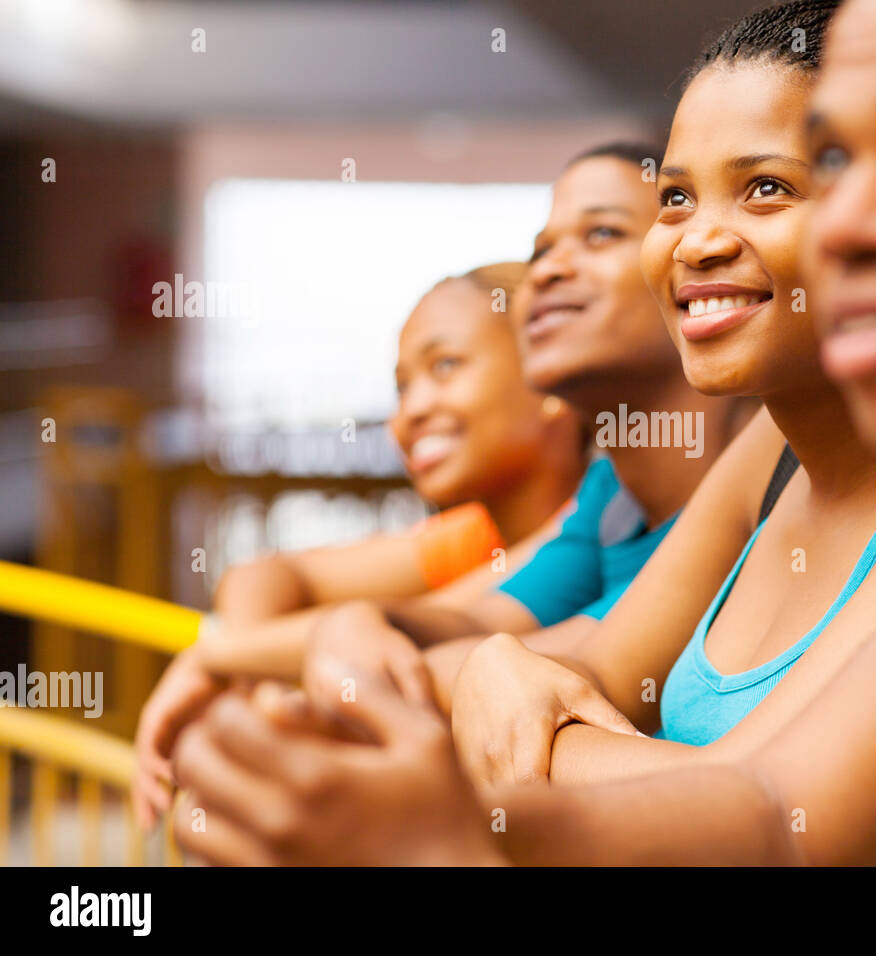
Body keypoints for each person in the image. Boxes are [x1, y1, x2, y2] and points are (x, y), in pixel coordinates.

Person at [173, 0, 876, 866]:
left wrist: (459, 836)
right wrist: (435, 798)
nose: (852, 219)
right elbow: (776, 816)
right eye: (841, 161)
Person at [435, 0, 876, 866]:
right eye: (675, 198)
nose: (698, 240)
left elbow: (748, 815)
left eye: (768, 188)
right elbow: (597, 672)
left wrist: (506, 712)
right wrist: (497, 667)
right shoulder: (770, 458)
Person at [140, 142, 750, 826]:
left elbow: (553, 659)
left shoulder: (751, 487)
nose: (549, 269)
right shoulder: (607, 501)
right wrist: (271, 652)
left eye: (601, 232)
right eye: (541, 248)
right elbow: (471, 622)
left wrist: (255, 672)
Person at [132, 262, 585, 827]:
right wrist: (251, 679)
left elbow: (421, 621)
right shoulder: (475, 532)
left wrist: (218, 656)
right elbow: (266, 574)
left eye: (445, 366)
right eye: (401, 387)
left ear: (548, 374)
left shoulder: (592, 525)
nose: (408, 414)